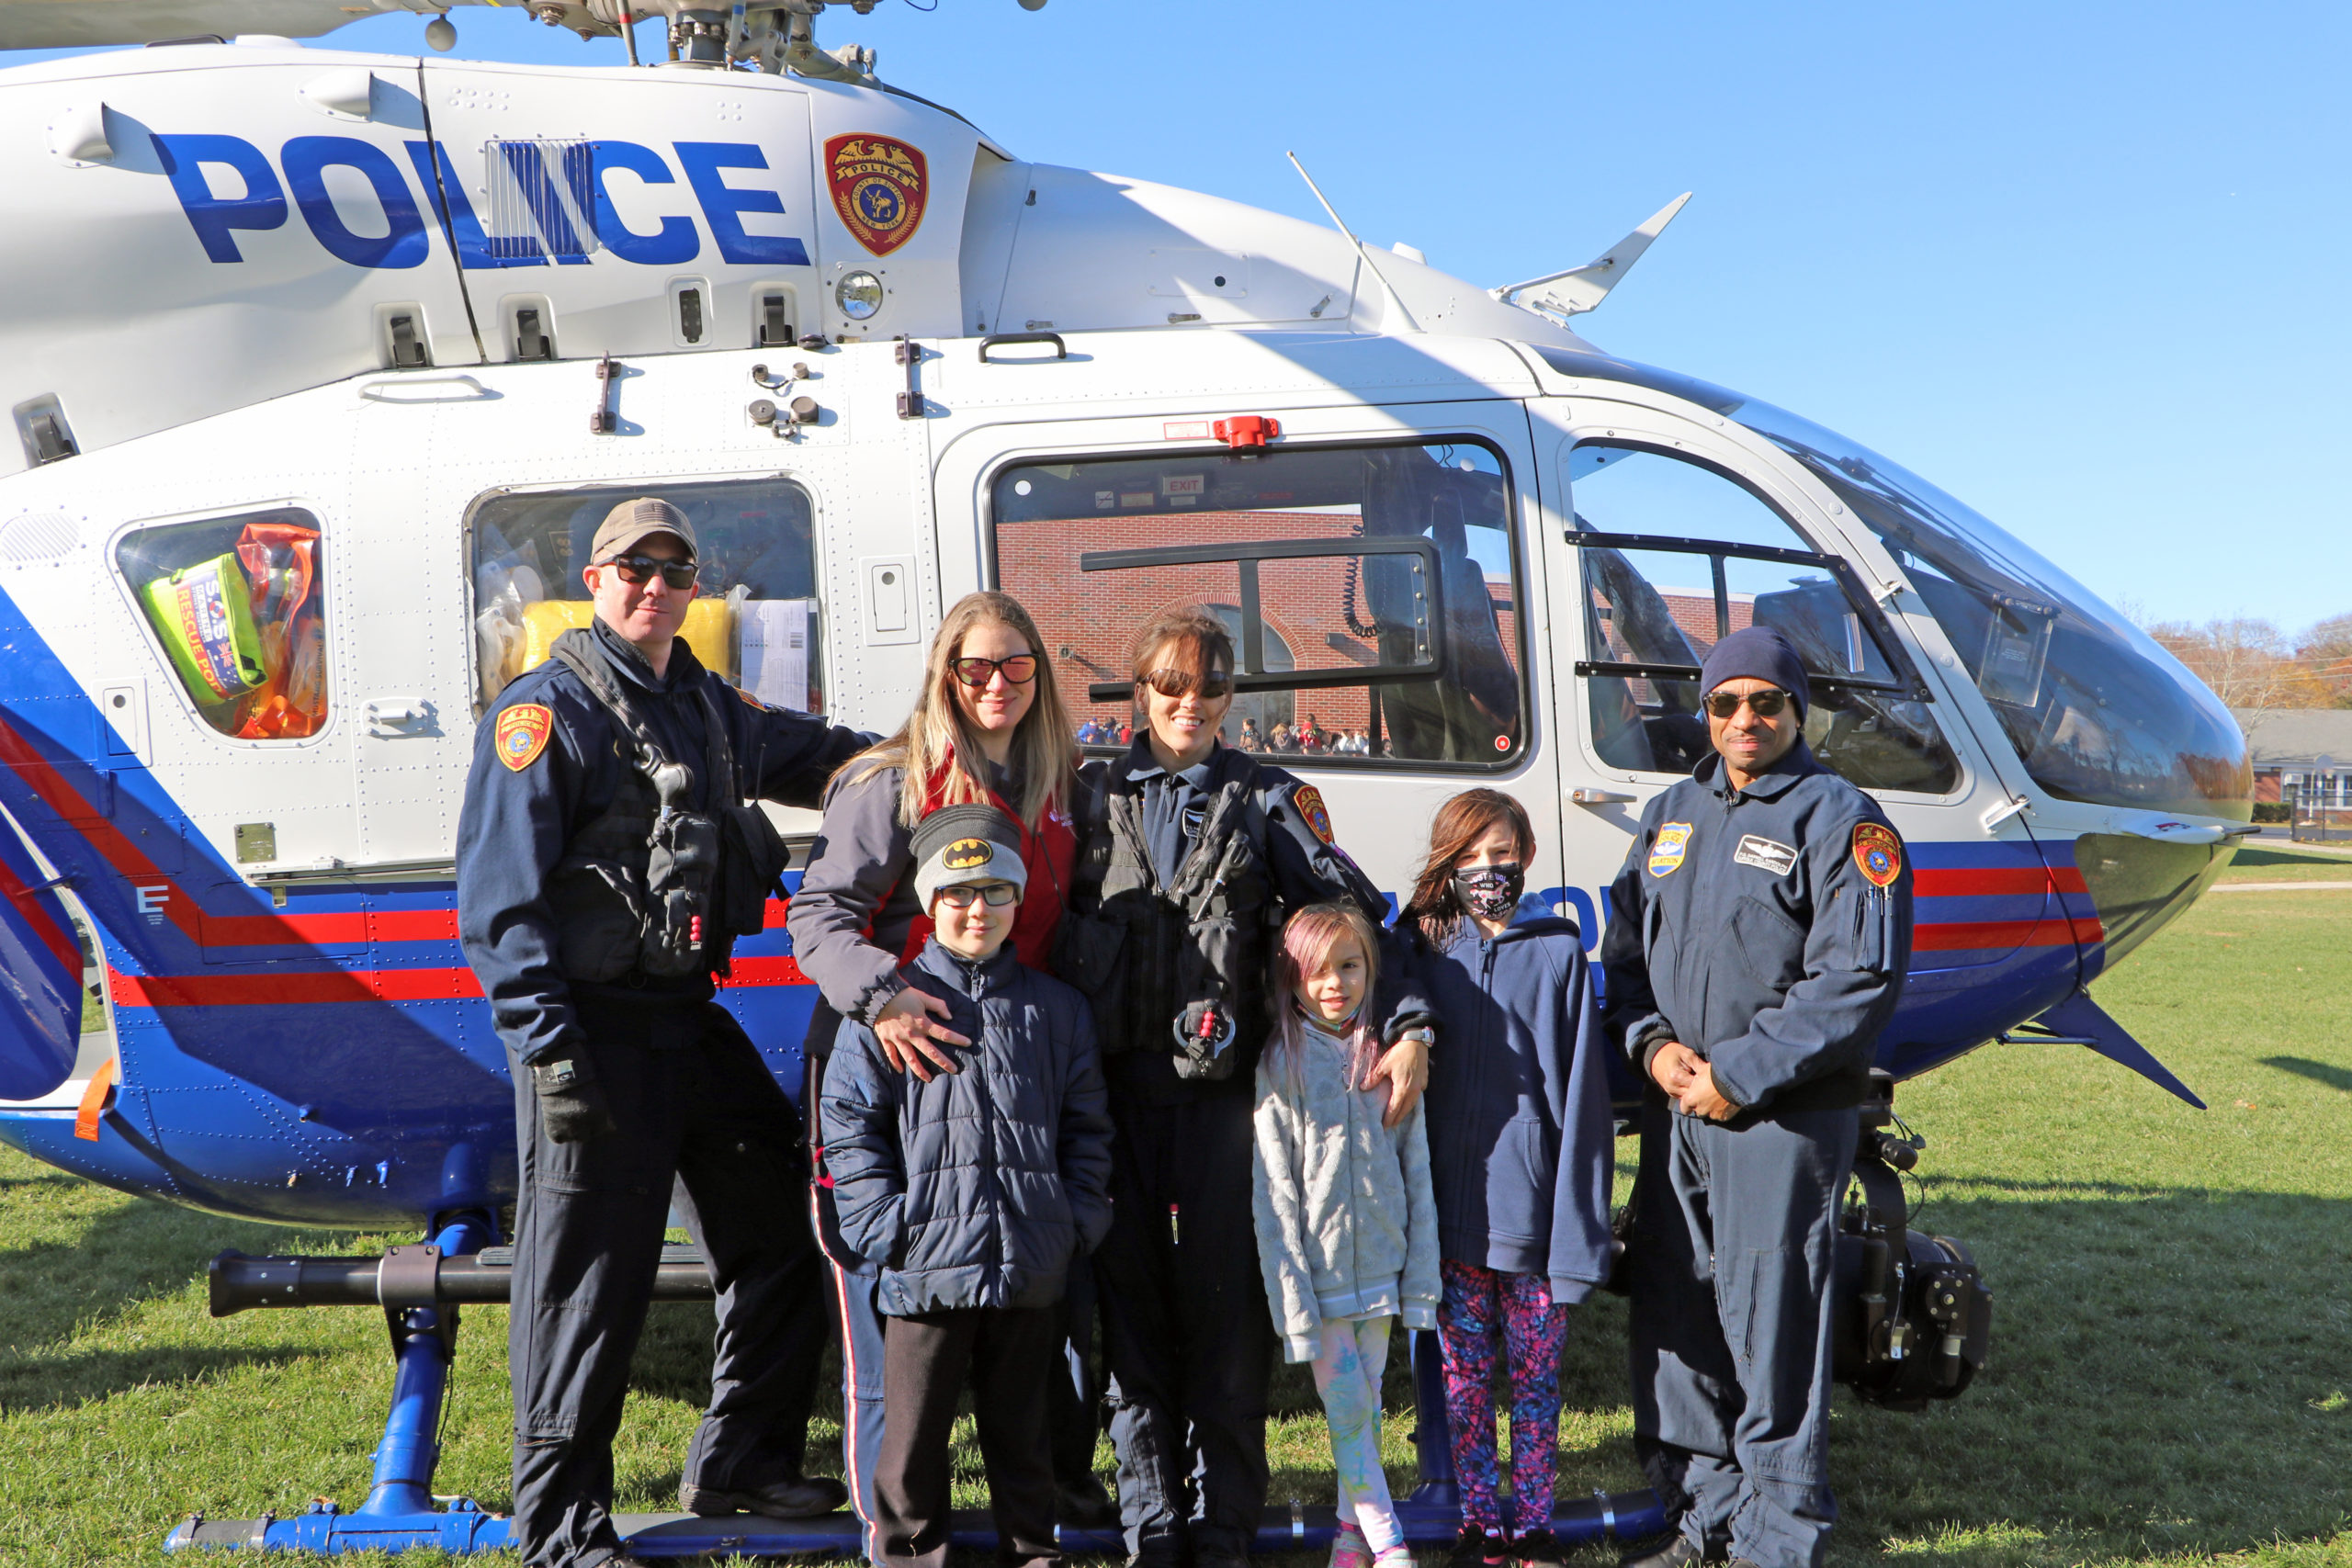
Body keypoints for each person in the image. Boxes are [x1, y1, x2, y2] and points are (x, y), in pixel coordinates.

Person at [456, 497, 865, 1568]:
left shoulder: (709, 708)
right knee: (587, 1280)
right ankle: (559, 1527)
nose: (654, 587)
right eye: (634, 569)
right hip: (589, 1033)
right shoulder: (545, 715)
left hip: (685, 1018)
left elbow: (825, 755)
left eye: (675, 573)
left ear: (694, 592)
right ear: (592, 581)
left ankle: (743, 1457)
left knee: (782, 1221)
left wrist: (946, 754)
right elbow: (499, 908)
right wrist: (548, 1056)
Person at [1053, 604, 1436, 1568]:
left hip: (1227, 1109)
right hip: (1113, 1102)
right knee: (1131, 1319)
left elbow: (1358, 915)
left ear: (1232, 696)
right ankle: (1155, 1527)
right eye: (1171, 686)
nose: (1191, 704)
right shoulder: (1088, 794)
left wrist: (1411, 1026)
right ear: (1140, 691)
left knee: (1226, 1317)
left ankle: (1223, 1529)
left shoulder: (1269, 799)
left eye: (1211, 687)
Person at [785, 592, 1116, 1553]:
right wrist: (882, 999)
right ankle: (894, 1534)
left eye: (1017, 666)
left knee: (1032, 1334)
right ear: (944, 674)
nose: (997, 685)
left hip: (1018, 1068)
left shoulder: (1064, 781)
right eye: (975, 667)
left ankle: (1039, 1516)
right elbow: (819, 918)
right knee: (899, 1341)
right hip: (893, 1064)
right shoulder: (889, 780)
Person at [1600, 626, 1913, 1568]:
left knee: (1770, 1321)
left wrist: (1736, 1078)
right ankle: (1703, 1520)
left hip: (1775, 1117)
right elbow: (1622, 961)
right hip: (1676, 1114)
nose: (1744, 719)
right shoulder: (1669, 811)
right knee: (1680, 1313)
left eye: (1764, 702)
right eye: (1725, 702)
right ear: (1704, 711)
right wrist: (1653, 1052)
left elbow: (1855, 979)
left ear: (1794, 709)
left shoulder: (1840, 819)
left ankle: (1778, 1538)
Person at [820, 803, 1116, 1568]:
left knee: (1025, 1434)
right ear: (929, 902)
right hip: (924, 1264)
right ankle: (913, 1554)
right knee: (913, 1441)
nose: (976, 909)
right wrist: (888, 1228)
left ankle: (1033, 1549)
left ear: (1019, 900)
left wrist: (1074, 1219)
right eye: (956, 894)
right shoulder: (889, 1013)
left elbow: (1088, 1130)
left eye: (994, 891)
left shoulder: (1058, 1012)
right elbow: (850, 1129)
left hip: (1030, 1261)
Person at [1398, 791, 1615, 1568]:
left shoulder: (1558, 950)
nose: (1490, 871)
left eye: (1504, 855)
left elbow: (1583, 1104)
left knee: (1532, 1382)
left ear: (1525, 858)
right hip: (1452, 1216)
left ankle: (1534, 1525)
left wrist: (1578, 1231)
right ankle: (1478, 1524)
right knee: (1461, 1380)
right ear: (1448, 863)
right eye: (1473, 856)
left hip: (1533, 1218)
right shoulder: (1419, 948)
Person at [1250, 904, 1439, 1568]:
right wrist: (1293, 1302)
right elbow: (1273, 1195)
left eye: (1350, 966)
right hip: (1322, 1283)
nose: (1334, 983)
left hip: (1383, 1274)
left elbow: (1417, 1170)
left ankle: (1347, 1540)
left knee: (1363, 1410)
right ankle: (1389, 1544)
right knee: (1351, 1408)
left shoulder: (1386, 1055)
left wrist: (1420, 1278)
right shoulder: (1281, 1063)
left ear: (1370, 970)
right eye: (1316, 970)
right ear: (1290, 977)